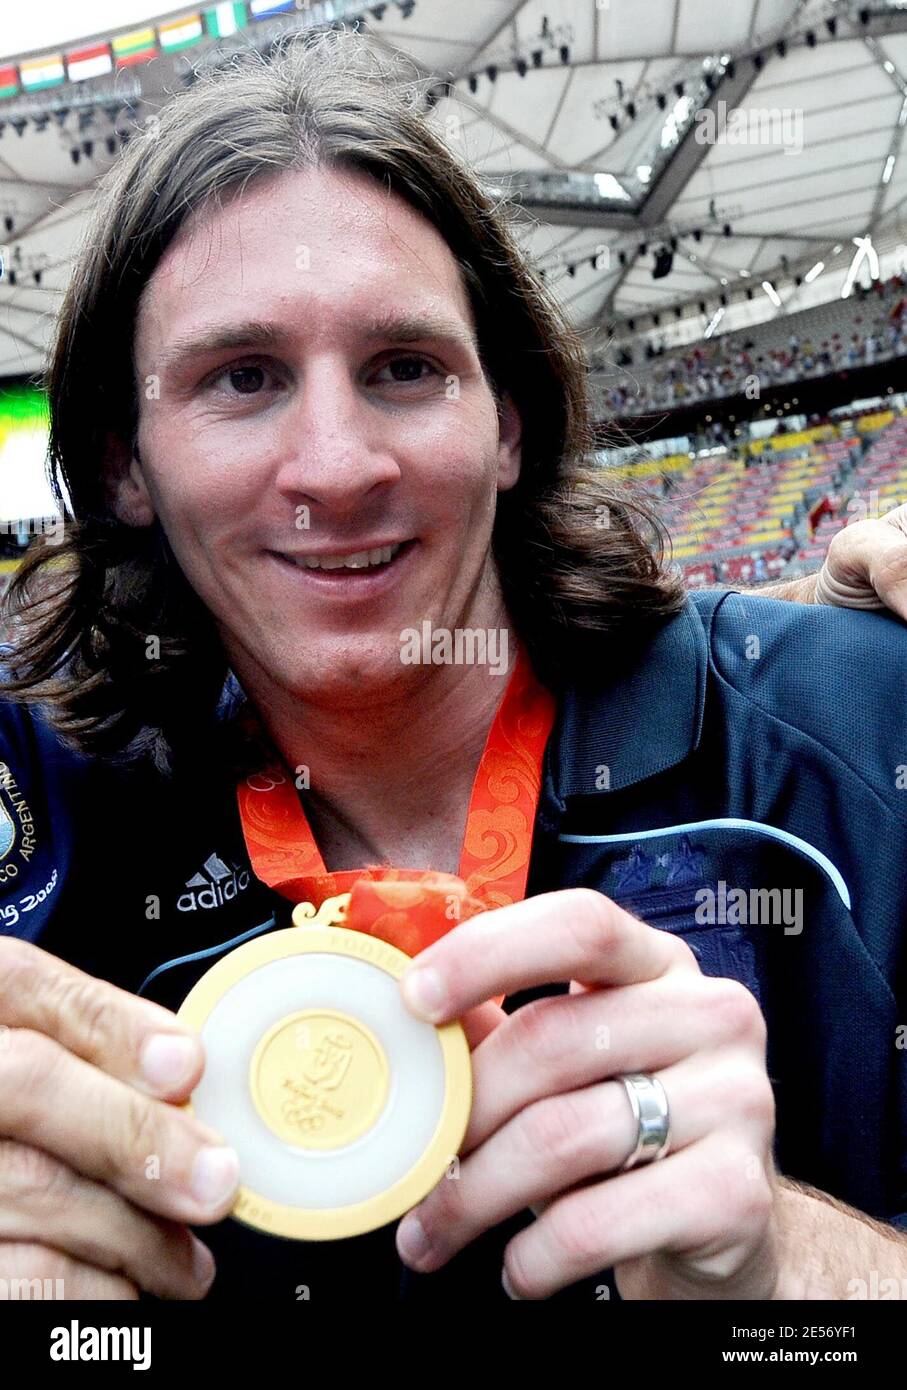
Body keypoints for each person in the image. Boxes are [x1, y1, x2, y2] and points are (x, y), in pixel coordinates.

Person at [2, 29, 907, 1304]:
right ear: (121, 467)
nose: (335, 467)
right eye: (242, 377)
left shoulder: (861, 735)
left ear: (509, 423)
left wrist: (786, 1273)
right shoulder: (42, 841)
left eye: (405, 369)